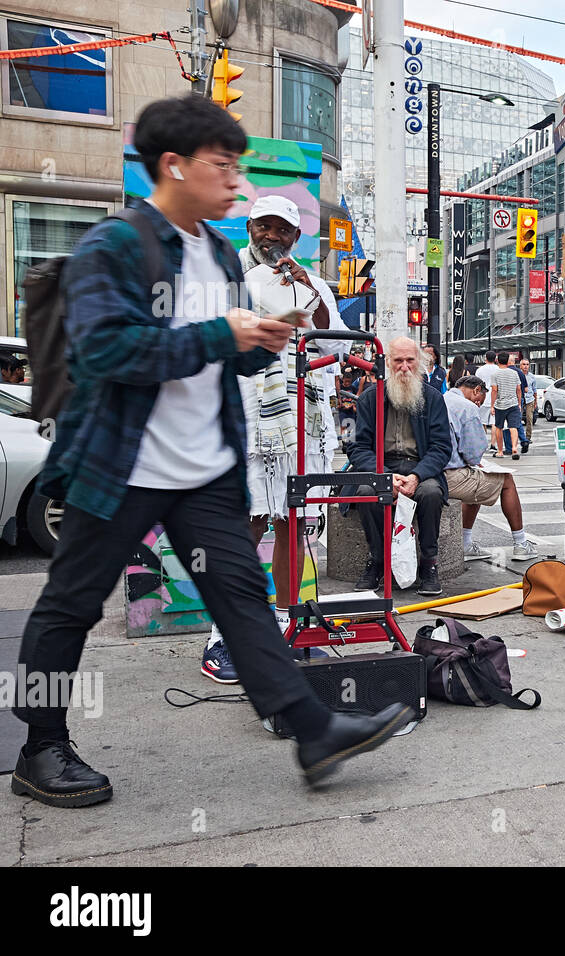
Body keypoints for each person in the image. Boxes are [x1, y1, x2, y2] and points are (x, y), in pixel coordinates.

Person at [11, 95, 409, 807]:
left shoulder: (218, 252)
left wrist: (258, 346)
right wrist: (223, 337)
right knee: (71, 602)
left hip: (205, 470)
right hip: (123, 466)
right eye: (222, 166)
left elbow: (220, 360)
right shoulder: (118, 245)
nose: (235, 181)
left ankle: (313, 730)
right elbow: (105, 352)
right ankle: (40, 746)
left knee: (243, 599)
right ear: (173, 165)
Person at [201, 193, 351, 684]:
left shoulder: (312, 283)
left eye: (283, 230)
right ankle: (225, 634)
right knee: (248, 523)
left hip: (299, 421)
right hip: (246, 419)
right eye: (264, 226)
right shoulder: (224, 276)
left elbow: (335, 343)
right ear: (249, 227)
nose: (273, 236)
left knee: (292, 522)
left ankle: (289, 622)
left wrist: (314, 294)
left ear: (296, 237)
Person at [349, 336, 453, 597]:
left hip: (421, 468)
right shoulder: (369, 399)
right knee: (364, 492)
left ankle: (429, 562)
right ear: (387, 363)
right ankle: (378, 560)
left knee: (430, 494)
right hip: (380, 468)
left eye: (410, 360)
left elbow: (441, 447)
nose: (404, 367)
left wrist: (417, 476)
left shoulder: (432, 398)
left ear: (419, 362)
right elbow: (356, 447)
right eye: (398, 361)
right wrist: (384, 475)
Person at [443, 375, 539, 561]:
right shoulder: (467, 407)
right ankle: (520, 543)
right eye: (480, 400)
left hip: (433, 471)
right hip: (450, 475)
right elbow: (473, 453)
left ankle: (466, 542)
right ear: (476, 390)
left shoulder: (441, 399)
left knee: (478, 480)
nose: (479, 405)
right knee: (507, 481)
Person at [490, 351, 523, 460]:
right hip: (513, 404)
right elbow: (518, 389)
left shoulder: (495, 374)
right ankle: (514, 448)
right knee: (513, 427)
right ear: (508, 361)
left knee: (499, 427)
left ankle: (500, 451)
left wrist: (492, 405)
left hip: (500, 405)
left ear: (497, 361)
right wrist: (519, 403)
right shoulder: (514, 373)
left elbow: (494, 390)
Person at [519, 356, 537, 447]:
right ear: (520, 366)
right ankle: (520, 437)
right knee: (518, 418)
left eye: (527, 364)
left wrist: (536, 402)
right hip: (520, 398)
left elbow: (534, 390)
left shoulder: (532, 377)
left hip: (530, 399)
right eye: (524, 364)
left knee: (529, 418)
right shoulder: (517, 375)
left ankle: (528, 437)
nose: (526, 366)